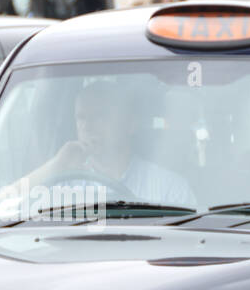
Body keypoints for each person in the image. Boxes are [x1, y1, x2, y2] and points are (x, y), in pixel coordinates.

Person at [19, 81, 197, 210]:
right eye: (81, 118)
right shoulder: (62, 185)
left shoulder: (170, 188)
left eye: (100, 117)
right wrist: (58, 165)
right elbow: (7, 207)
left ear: (130, 124)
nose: (87, 127)